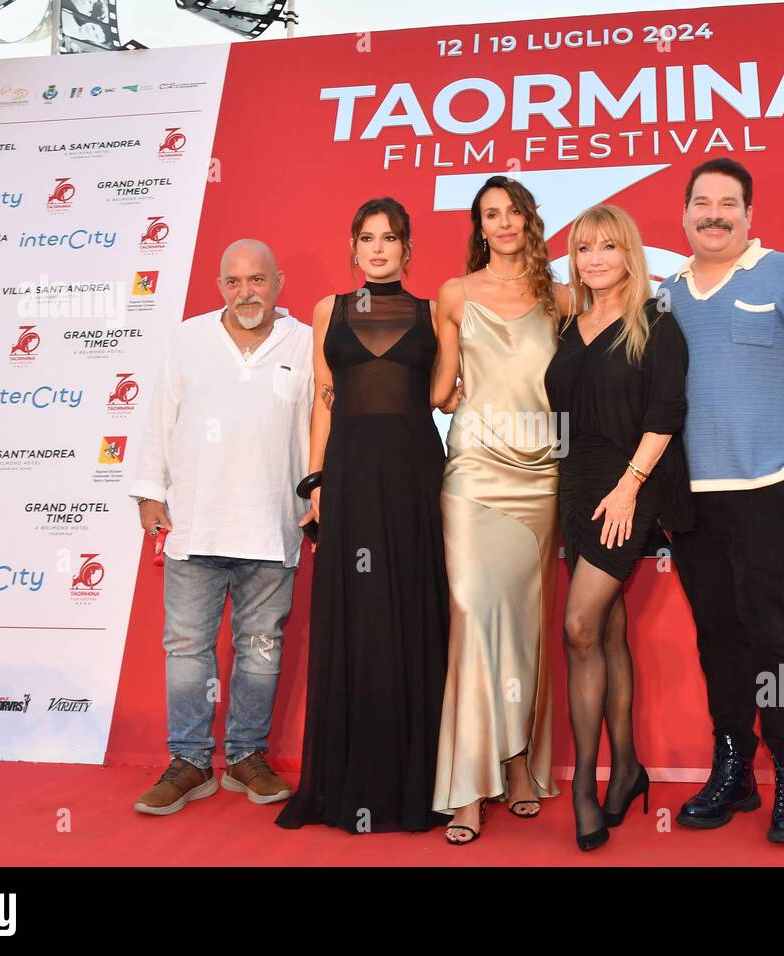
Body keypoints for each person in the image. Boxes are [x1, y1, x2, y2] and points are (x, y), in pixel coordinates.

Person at [661, 159, 784, 844]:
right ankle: (734, 765)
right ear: (684, 215)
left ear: (748, 214)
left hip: (772, 488)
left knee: (775, 637)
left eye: (728, 203)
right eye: (702, 203)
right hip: (692, 501)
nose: (715, 213)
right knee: (718, 638)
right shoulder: (664, 296)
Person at [275, 198, 451, 833]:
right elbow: (323, 401)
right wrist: (316, 479)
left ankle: (419, 782)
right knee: (357, 618)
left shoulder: (436, 314)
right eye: (367, 238)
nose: (378, 248)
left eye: (391, 238)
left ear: (408, 250)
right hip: (348, 476)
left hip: (414, 479)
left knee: (409, 611)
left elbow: (443, 394)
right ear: (353, 248)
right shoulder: (330, 311)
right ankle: (346, 781)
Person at [130, 239, 313, 815]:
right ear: (219, 287)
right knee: (187, 647)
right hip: (195, 521)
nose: (245, 293)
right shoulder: (188, 338)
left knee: (261, 647)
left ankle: (245, 758)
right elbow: (161, 416)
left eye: (256, 280)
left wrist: (319, 491)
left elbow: (325, 422)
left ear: (278, 281)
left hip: (271, 522)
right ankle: (188, 761)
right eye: (233, 282)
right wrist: (148, 493)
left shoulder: (306, 342)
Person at [544, 205, 692, 851]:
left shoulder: (656, 323)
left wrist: (631, 488)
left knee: (579, 627)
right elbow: (560, 421)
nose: (595, 258)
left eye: (608, 246)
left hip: (626, 487)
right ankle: (628, 767)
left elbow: (665, 414)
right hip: (575, 488)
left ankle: (584, 783)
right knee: (604, 629)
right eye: (583, 248)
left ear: (630, 254)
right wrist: (557, 503)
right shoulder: (570, 327)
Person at [430, 176, 572, 845]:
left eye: (513, 211)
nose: (504, 223)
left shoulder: (562, 297)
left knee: (524, 625)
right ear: (478, 227)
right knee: (470, 614)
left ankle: (518, 765)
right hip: (474, 474)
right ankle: (465, 785)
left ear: (529, 220)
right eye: (492, 214)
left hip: (541, 477)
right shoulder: (454, 295)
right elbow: (438, 387)